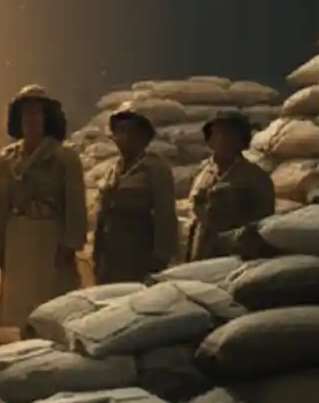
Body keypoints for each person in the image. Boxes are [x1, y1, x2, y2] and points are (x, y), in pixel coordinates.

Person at [0, 85, 87, 329]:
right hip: (17, 238)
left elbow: (75, 203)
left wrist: (70, 244)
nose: (30, 119)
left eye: (36, 113)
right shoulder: (8, 158)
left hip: (50, 238)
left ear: (46, 118)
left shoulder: (64, 158)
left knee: (50, 306)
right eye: (25, 113)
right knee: (17, 308)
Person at [93, 102, 178, 283]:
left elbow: (165, 214)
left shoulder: (155, 169)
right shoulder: (113, 169)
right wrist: (97, 253)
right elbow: (102, 213)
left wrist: (160, 256)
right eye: (119, 132)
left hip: (139, 251)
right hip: (110, 254)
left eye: (130, 132)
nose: (123, 137)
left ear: (143, 137)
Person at [187, 110, 275, 261]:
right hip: (202, 251)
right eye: (217, 133)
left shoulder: (255, 177)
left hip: (234, 255)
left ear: (241, 141)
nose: (221, 139)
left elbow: (263, 224)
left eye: (228, 135)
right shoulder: (203, 172)